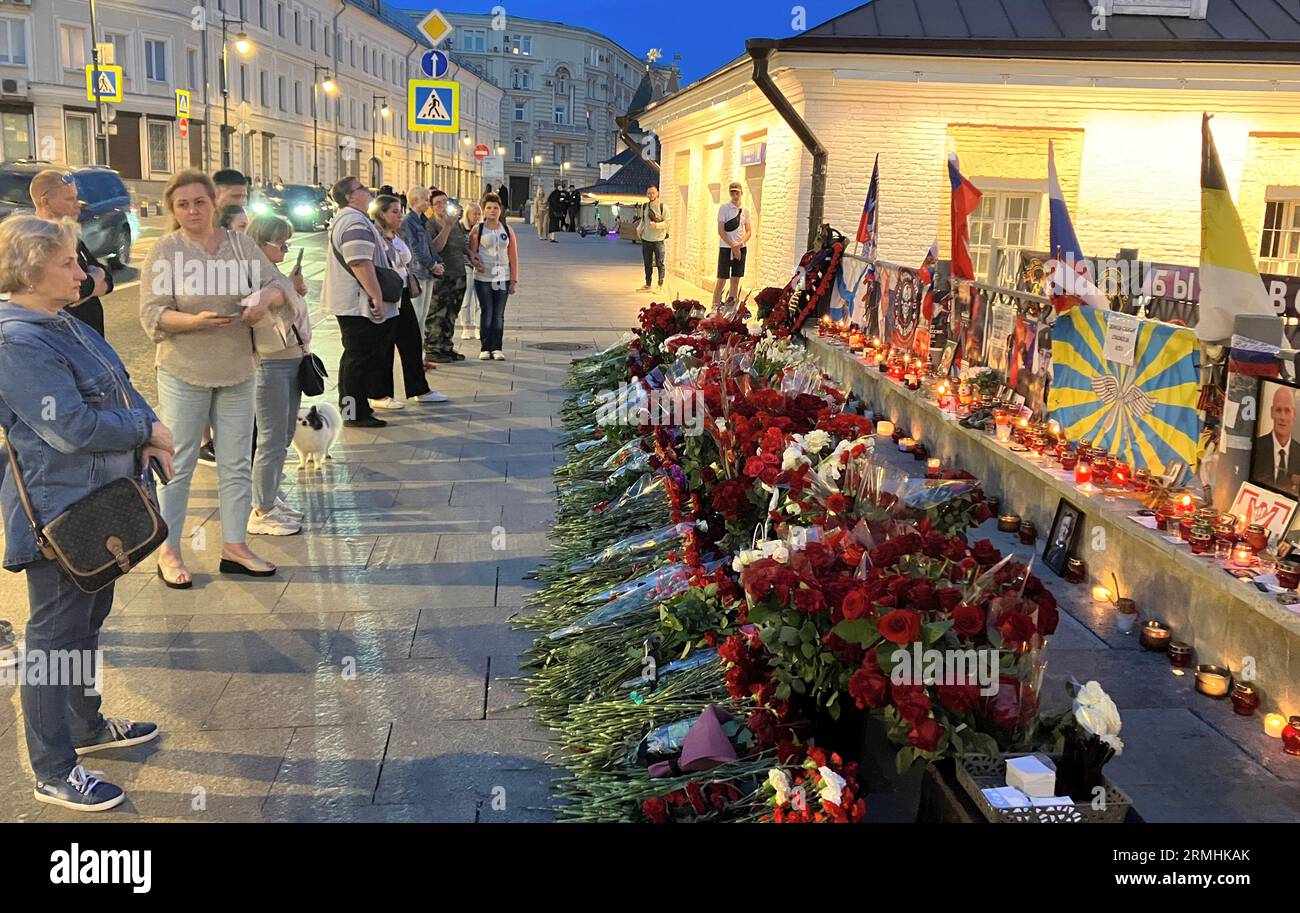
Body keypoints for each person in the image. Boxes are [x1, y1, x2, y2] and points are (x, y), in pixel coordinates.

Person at [0, 215, 171, 812]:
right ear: (29, 268)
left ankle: (86, 727)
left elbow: (121, 383)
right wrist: (146, 427)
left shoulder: (60, 322)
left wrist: (148, 432)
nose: (84, 272)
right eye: (70, 263)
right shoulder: (16, 339)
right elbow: (68, 427)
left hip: (100, 504)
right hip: (60, 513)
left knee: (86, 620)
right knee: (52, 638)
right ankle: (52, 769)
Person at [140, 170, 287, 586]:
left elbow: (276, 285)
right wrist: (193, 321)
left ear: (213, 203)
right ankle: (168, 550)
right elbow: (152, 314)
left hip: (238, 367)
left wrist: (263, 299)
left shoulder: (240, 246)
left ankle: (235, 546)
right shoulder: (166, 250)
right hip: (183, 368)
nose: (191, 211)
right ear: (174, 209)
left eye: (199, 202)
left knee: (237, 461)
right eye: (182, 204)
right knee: (179, 462)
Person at [246, 213, 313, 536]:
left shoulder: (271, 272)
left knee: (283, 435)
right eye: (281, 244)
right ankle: (262, 510)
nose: (286, 249)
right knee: (272, 439)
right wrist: (288, 290)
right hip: (271, 364)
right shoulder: (255, 273)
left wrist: (293, 287)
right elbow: (259, 304)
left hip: (290, 360)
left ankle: (269, 498)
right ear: (261, 243)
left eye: (289, 243)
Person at [321, 176, 401, 429]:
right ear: (350, 197)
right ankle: (354, 412)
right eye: (361, 188)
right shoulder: (354, 221)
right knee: (359, 357)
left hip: (352, 300)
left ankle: (354, 407)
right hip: (357, 302)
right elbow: (360, 262)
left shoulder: (349, 219)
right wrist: (376, 295)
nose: (368, 190)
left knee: (356, 356)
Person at [371, 194, 448, 407]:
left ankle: (420, 389)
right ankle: (380, 394)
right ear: (381, 214)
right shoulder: (376, 236)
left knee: (412, 341)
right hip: (387, 295)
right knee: (385, 345)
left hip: (403, 291)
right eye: (394, 212)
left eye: (400, 211)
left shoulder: (398, 234)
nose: (399, 216)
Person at [29, 169, 112, 338]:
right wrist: (95, 279)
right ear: (45, 202)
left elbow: (108, 281)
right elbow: (68, 294)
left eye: (76, 197)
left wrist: (90, 285)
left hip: (89, 340)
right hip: (60, 339)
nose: (78, 204)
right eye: (69, 199)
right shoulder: (34, 242)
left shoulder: (71, 237)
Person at [469, 192, 518, 362]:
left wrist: (513, 280)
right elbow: (472, 253)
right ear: (484, 210)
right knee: (487, 312)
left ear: (501, 210)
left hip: (501, 277)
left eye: (496, 208)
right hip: (483, 278)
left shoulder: (507, 229)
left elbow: (513, 256)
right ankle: (485, 347)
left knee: (498, 314)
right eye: (489, 208)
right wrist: (476, 264)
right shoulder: (478, 229)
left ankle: (497, 347)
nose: (492, 211)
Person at [422, 189, 467, 364]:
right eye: (437, 203)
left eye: (444, 202)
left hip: (458, 273)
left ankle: (446, 346)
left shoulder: (455, 222)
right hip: (441, 276)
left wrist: (471, 254)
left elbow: (461, 242)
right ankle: (433, 348)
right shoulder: (430, 224)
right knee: (438, 313)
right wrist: (447, 226)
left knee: (452, 313)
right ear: (431, 207)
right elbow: (435, 248)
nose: (442, 206)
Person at [398, 186, 443, 350]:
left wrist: (438, 263)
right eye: (425, 199)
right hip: (417, 273)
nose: (428, 203)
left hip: (428, 273)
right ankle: (413, 353)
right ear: (416, 201)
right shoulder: (408, 221)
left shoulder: (422, 220)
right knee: (416, 315)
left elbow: (429, 245)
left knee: (423, 315)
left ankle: (421, 353)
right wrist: (432, 265)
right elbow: (414, 249)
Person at [1253, 385, 1300, 494]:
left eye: (1287, 411)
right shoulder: (1257, 447)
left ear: (1294, 415)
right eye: (1278, 410)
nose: (1282, 417)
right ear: (1272, 412)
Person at [713, 181, 752, 308]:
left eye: (737, 192)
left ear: (741, 193)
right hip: (726, 247)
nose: (735, 195)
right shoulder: (724, 208)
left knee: (736, 279)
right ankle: (715, 306)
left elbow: (748, 231)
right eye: (732, 192)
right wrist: (732, 245)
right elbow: (721, 230)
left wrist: (740, 244)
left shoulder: (745, 210)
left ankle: (731, 306)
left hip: (741, 248)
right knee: (721, 278)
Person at [458, 201, 482, 340]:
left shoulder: (482, 228)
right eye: (475, 213)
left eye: (479, 213)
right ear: (467, 214)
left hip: (479, 268)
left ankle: (479, 327)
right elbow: (459, 247)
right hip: (466, 266)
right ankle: (467, 327)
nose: (477, 216)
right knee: (466, 299)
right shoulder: (460, 228)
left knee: (480, 300)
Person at [638, 185, 668, 291]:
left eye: (653, 193)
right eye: (649, 193)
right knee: (647, 263)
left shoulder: (663, 207)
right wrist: (639, 229)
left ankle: (660, 284)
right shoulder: (645, 206)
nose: (651, 195)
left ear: (657, 193)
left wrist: (657, 225)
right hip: (646, 239)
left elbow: (667, 223)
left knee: (660, 263)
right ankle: (648, 284)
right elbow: (643, 220)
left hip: (658, 240)